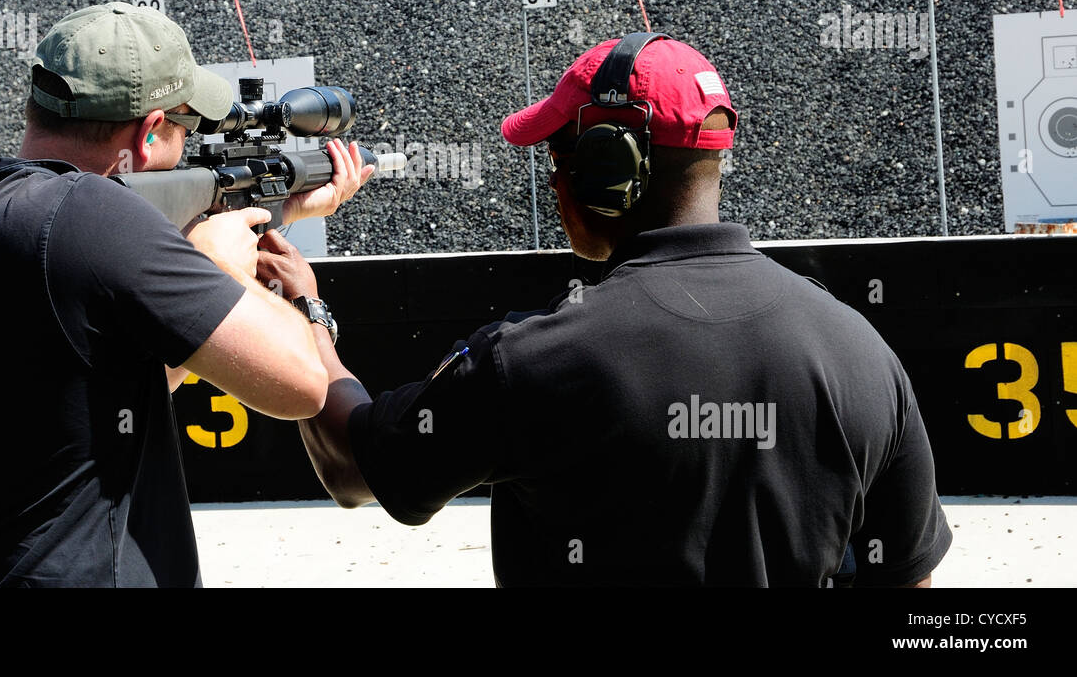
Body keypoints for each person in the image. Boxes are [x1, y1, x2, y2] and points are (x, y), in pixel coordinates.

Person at [260, 31, 953, 587]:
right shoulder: (861, 351)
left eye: (559, 160)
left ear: (605, 170)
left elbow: (353, 466)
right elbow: (907, 583)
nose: (555, 182)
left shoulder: (535, 362)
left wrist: (306, 313)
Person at [0, 1, 371, 586]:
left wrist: (268, 213)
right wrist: (239, 274)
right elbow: (301, 385)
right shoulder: (93, 212)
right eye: (183, 135)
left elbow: (119, 391)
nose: (185, 152)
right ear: (146, 136)